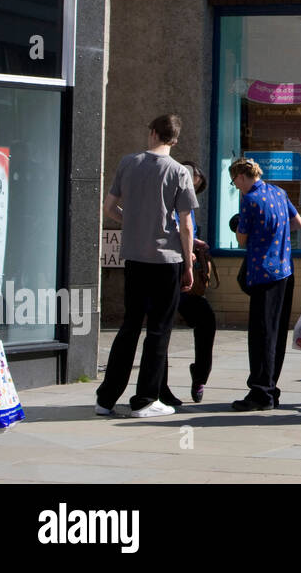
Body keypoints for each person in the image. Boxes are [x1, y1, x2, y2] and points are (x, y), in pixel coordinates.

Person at [96, 114, 199, 418]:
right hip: (167, 259)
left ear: (152, 132)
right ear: (175, 140)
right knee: (158, 329)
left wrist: (133, 222)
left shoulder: (129, 163)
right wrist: (189, 264)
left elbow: (109, 207)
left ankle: (106, 398)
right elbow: (186, 226)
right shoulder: (179, 172)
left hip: (135, 259)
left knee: (129, 326)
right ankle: (144, 399)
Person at [228, 157, 301, 411]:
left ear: (241, 177)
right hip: (285, 270)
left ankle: (260, 392)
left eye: (235, 182)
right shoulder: (279, 192)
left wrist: (242, 227)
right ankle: (271, 388)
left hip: (263, 273)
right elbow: (298, 223)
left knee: (261, 334)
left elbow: (242, 239)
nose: (237, 186)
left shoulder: (249, 200)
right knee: (277, 333)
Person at [166, 161, 215, 406]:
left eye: (194, 184)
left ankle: (200, 376)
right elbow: (173, 229)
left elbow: (185, 230)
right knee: (160, 327)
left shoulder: (187, 203)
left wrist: (195, 243)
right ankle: (159, 387)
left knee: (206, 319)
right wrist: (188, 255)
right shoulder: (165, 192)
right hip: (169, 269)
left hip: (185, 274)